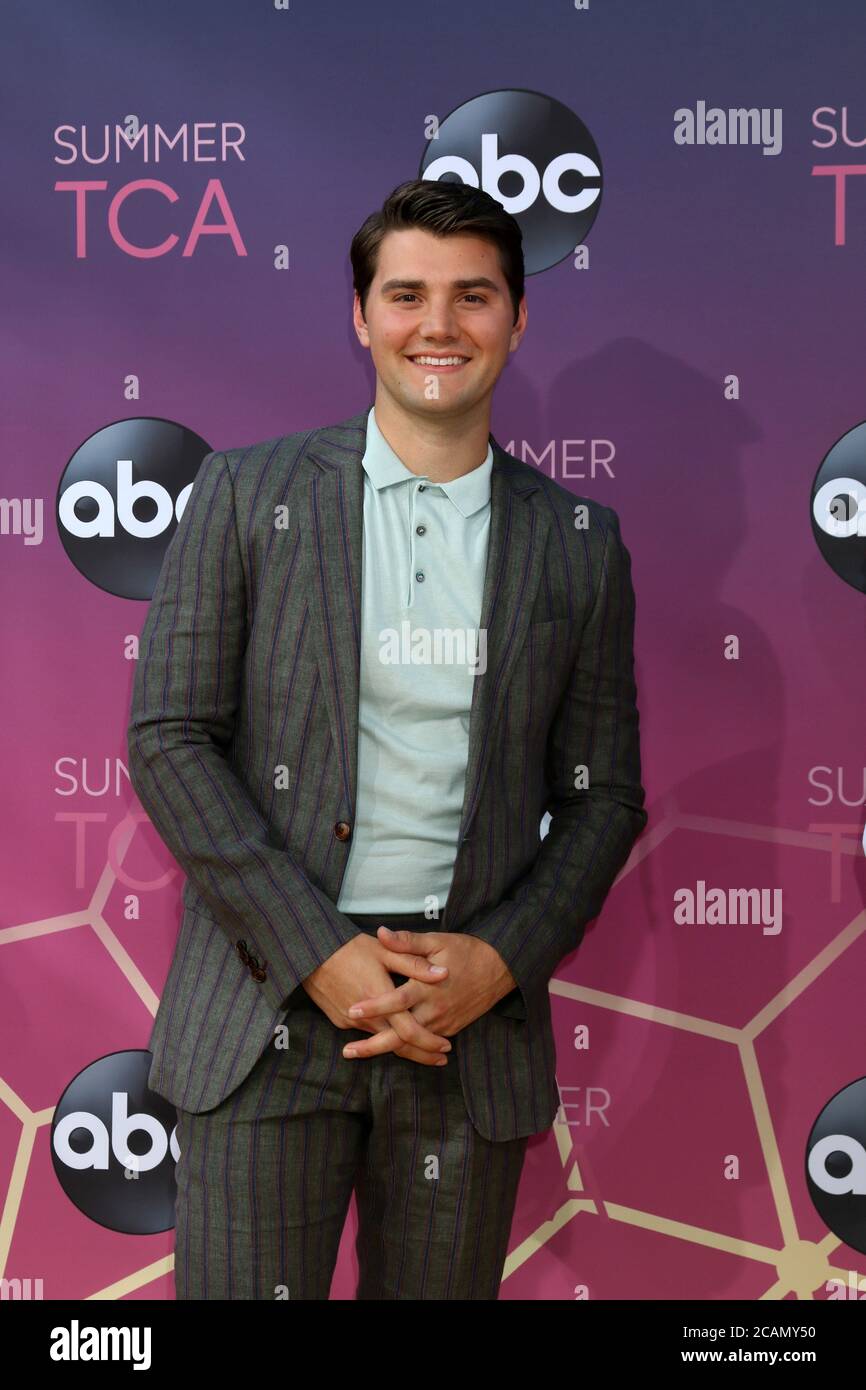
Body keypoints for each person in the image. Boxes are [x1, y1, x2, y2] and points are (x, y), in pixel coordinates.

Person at [126, 176, 648, 1300]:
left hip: (465, 1030)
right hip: (266, 1014)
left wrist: (496, 959)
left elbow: (603, 797)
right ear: (361, 316)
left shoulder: (576, 544)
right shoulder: (241, 494)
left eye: (472, 295)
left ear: (516, 319)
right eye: (405, 293)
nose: (438, 325)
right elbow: (170, 737)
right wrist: (321, 952)